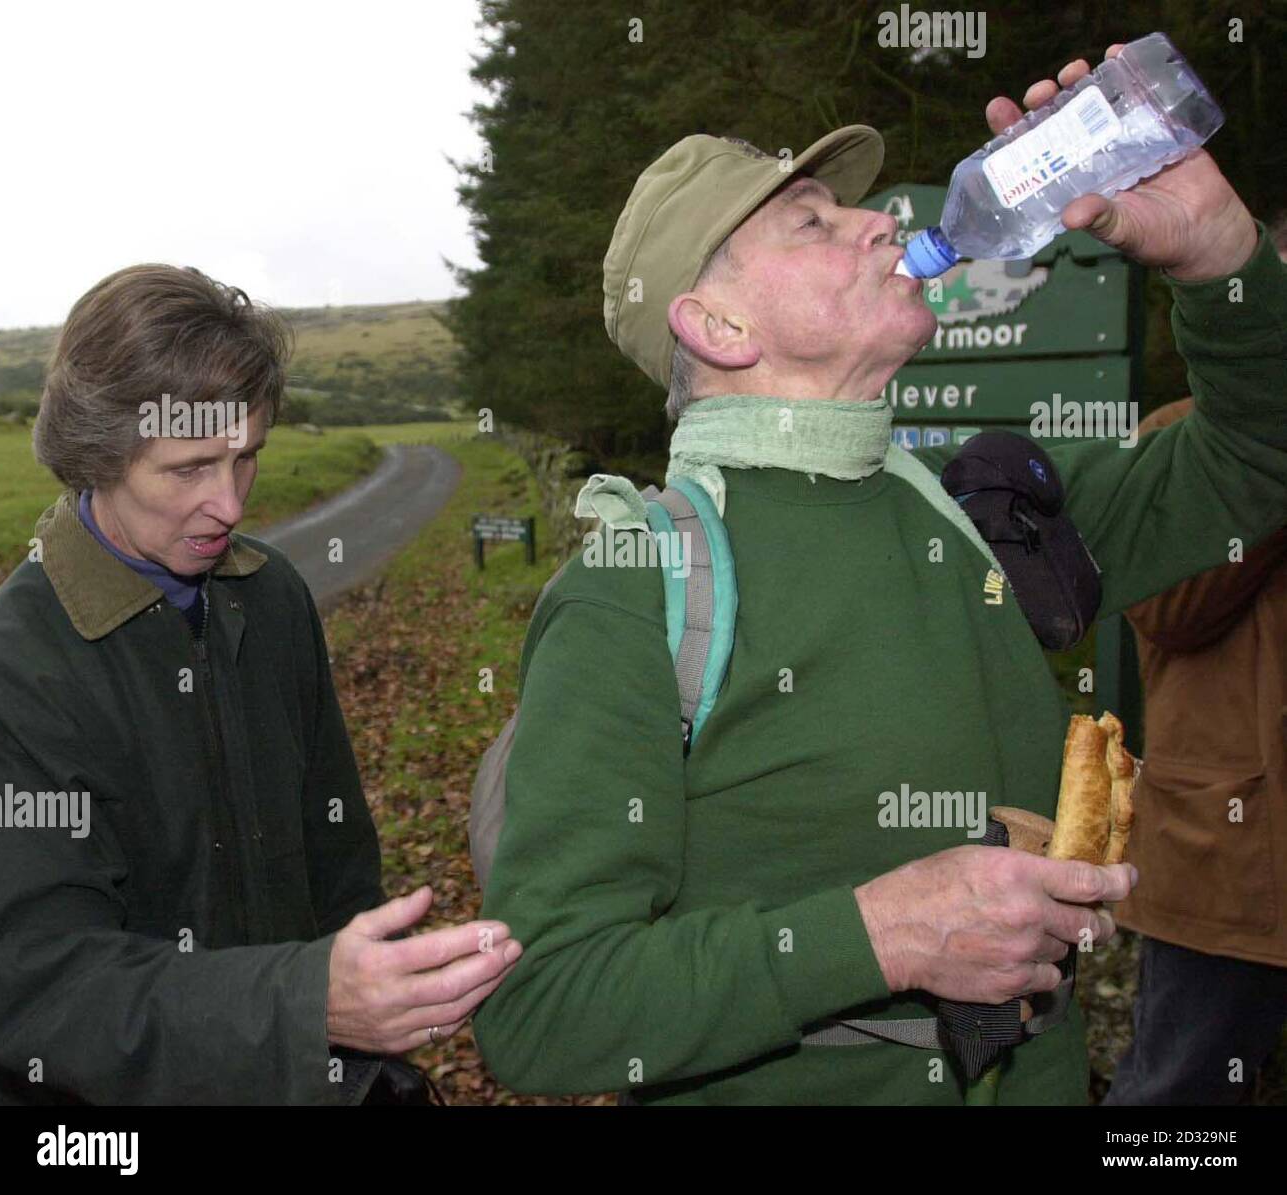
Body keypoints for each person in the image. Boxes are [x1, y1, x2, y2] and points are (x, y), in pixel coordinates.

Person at [472, 48, 1287, 1104]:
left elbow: (1255, 459)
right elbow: (543, 1011)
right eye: (813, 221)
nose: (879, 224)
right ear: (716, 327)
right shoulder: (638, 585)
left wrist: (1220, 260)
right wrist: (878, 937)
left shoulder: (987, 513)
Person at [0, 265, 521, 1105]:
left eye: (248, 458)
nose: (230, 503)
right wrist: (308, 1005)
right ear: (98, 453)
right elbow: (44, 990)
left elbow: (338, 855)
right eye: (190, 468)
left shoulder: (269, 595)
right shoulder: (12, 671)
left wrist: (367, 1054)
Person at [1106, 214, 1287, 1105]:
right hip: (1227, 864)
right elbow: (1167, 610)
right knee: (1179, 1108)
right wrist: (1270, 472)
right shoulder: (1177, 438)